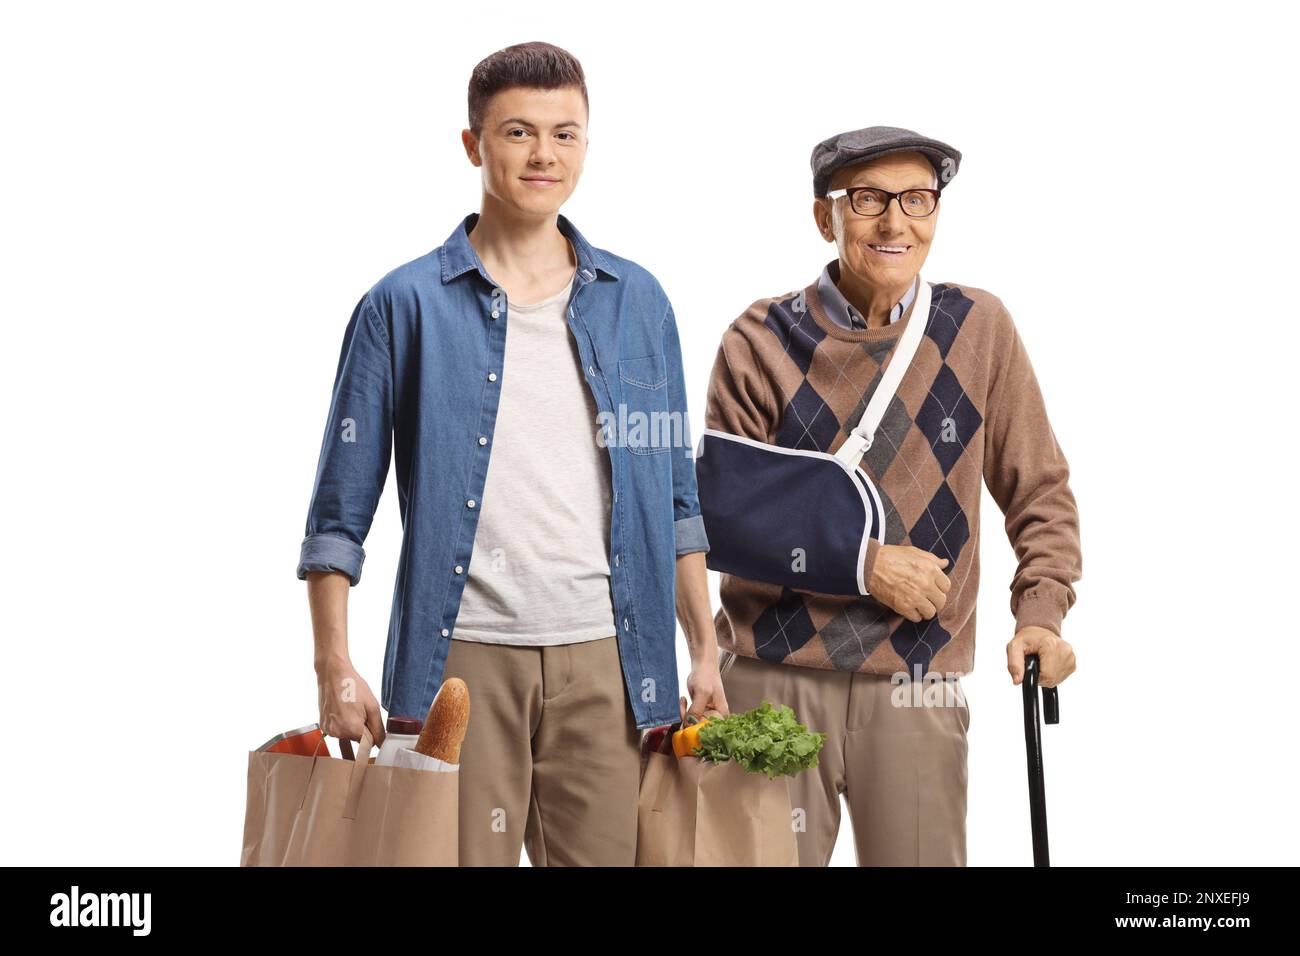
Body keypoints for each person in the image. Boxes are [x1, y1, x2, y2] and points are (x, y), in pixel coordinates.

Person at [297, 41, 727, 866]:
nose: (544, 155)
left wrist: (703, 647)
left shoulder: (639, 303)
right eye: (519, 133)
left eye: (565, 135)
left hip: (611, 657)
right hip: (460, 659)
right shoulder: (403, 306)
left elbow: (676, 498)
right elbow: (338, 514)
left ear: (587, 146)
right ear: (473, 145)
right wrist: (333, 664)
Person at [702, 125, 1082, 865]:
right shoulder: (758, 338)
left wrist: (1042, 612)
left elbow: (1040, 489)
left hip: (917, 684)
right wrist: (866, 563)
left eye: (917, 199)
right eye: (869, 198)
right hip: (772, 681)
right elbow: (721, 513)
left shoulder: (979, 328)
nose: (895, 222)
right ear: (826, 216)